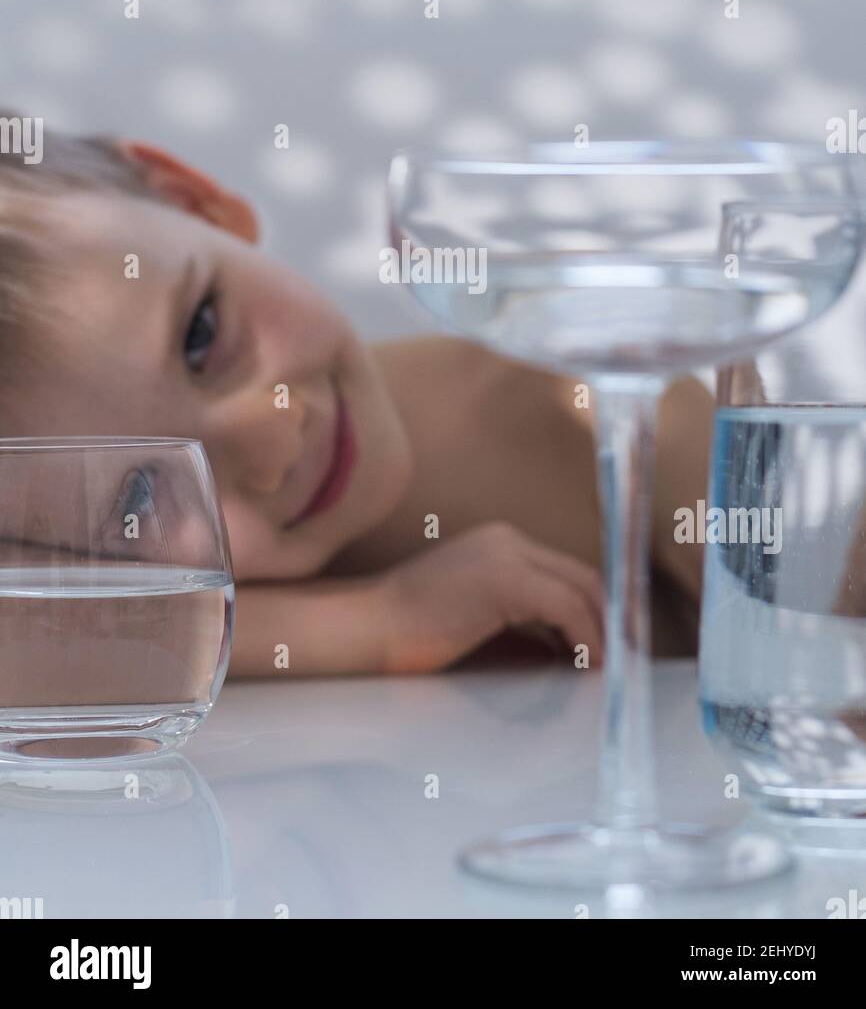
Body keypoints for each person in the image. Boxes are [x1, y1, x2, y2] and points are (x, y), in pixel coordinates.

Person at [0, 118, 713, 677]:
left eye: (202, 334)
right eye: (137, 500)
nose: (273, 444)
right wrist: (372, 621)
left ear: (192, 202)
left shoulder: (590, 414)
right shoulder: (82, 605)